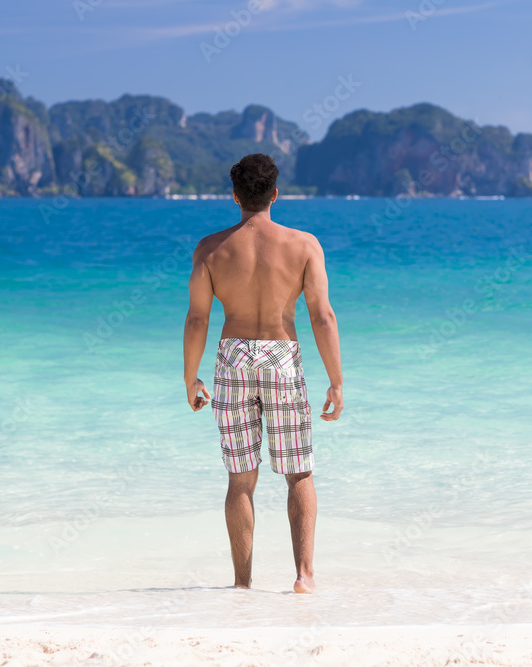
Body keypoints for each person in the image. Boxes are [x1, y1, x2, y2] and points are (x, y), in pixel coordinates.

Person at [183, 153, 344, 594]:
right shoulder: (304, 245)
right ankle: (304, 576)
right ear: (275, 194)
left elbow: (197, 320)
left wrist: (190, 377)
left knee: (240, 477)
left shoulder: (210, 249)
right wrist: (336, 381)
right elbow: (322, 316)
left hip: (233, 356)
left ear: (235, 196)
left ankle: (242, 584)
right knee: (299, 472)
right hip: (281, 355)